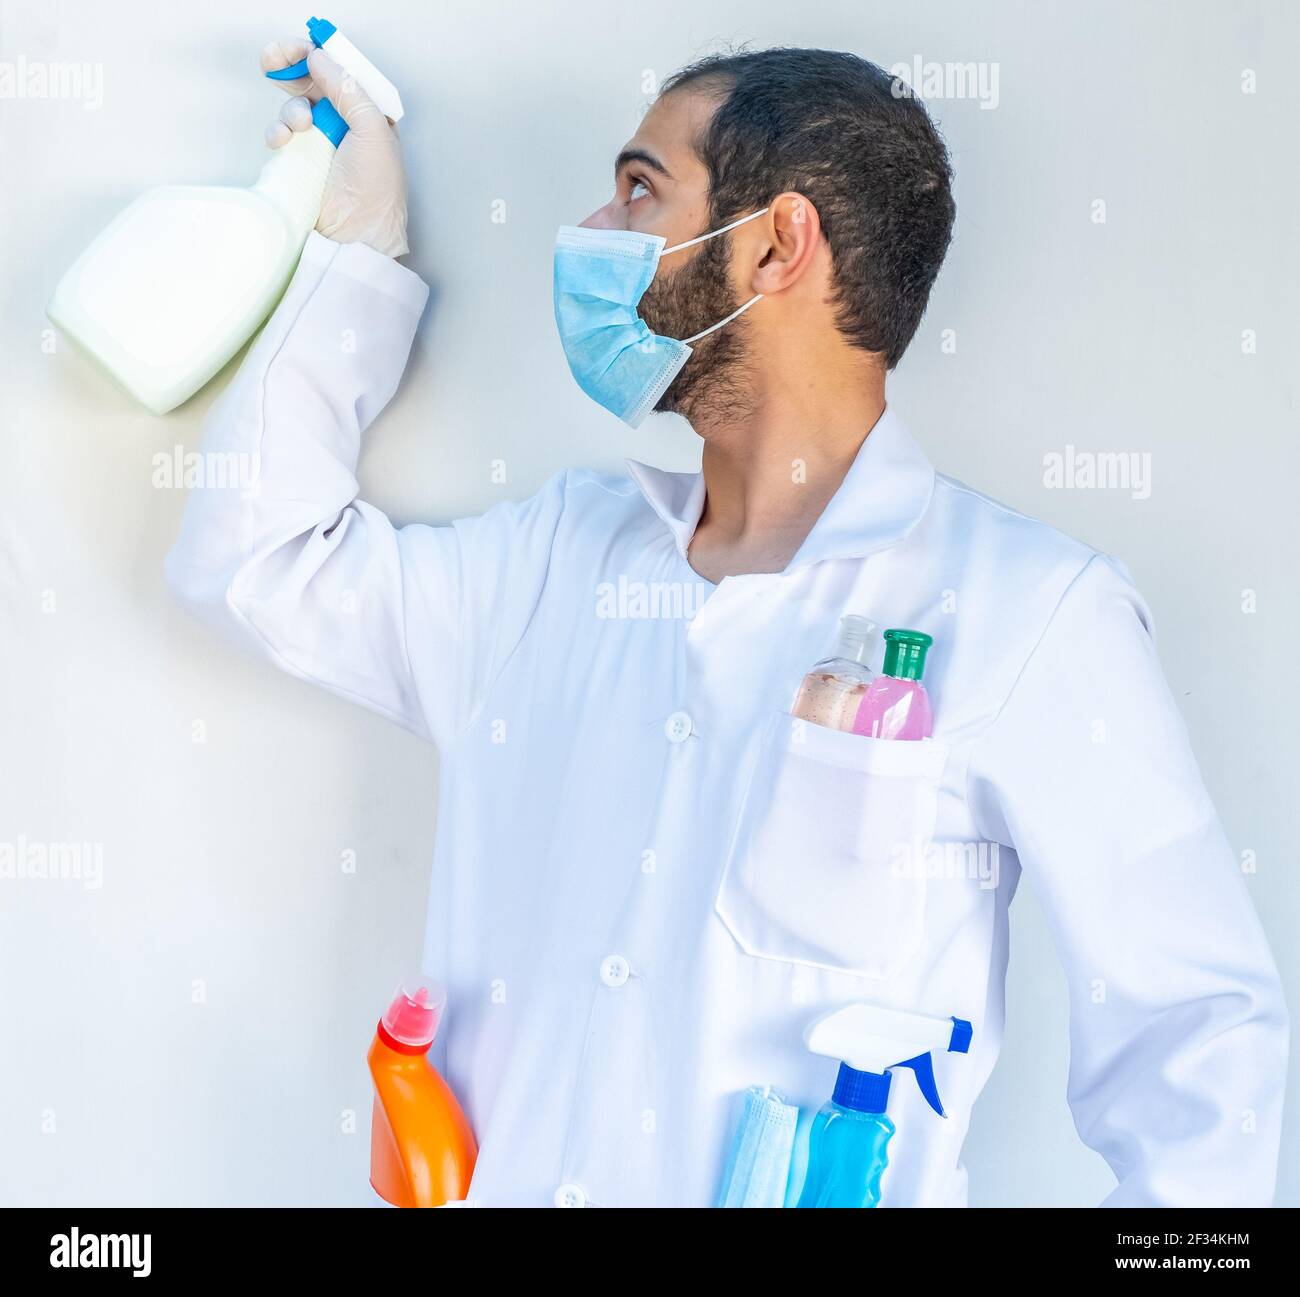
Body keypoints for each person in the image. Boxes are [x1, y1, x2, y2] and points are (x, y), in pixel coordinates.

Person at [166, 38, 1287, 1207]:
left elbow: (1200, 1047)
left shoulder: (1029, 612)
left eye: (639, 186)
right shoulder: (550, 563)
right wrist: (355, 260)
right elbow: (259, 557)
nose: (593, 226)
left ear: (775, 243)